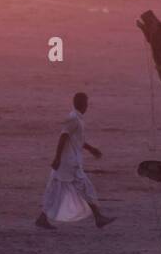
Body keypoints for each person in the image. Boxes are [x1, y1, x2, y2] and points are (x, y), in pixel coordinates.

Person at [36, 92, 114, 230]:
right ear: (83, 104)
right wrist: (57, 158)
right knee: (85, 187)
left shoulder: (77, 119)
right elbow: (63, 137)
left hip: (69, 162)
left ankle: (42, 218)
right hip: (69, 163)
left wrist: (91, 149)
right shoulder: (73, 118)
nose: (87, 106)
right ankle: (98, 218)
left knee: (55, 189)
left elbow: (77, 140)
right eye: (86, 103)